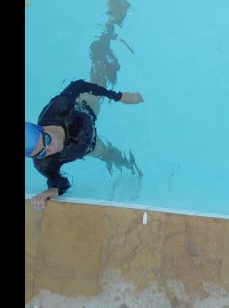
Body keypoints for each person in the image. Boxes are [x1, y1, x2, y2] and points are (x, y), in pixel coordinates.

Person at [25, 79, 143, 211]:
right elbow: (59, 181)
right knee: (115, 158)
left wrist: (119, 96)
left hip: (88, 109)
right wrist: (50, 191)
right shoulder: (44, 163)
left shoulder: (58, 108)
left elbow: (78, 86)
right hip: (92, 147)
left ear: (42, 128)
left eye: (47, 140)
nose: (52, 149)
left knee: (101, 72)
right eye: (42, 152)